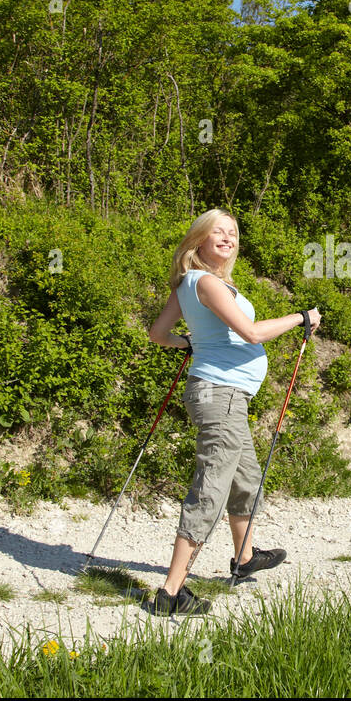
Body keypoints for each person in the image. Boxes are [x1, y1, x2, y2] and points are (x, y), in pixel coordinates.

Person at [147, 208, 321, 615]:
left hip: (225, 395)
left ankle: (244, 559)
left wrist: (189, 344)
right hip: (220, 396)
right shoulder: (207, 282)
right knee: (211, 485)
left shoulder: (190, 284)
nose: (227, 238)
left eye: (233, 232)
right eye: (218, 232)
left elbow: (157, 335)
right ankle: (171, 592)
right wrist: (301, 317)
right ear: (199, 241)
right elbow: (252, 332)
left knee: (245, 478)